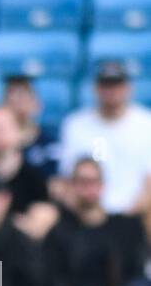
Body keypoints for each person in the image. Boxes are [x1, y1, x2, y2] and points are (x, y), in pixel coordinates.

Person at [43, 157, 147, 286]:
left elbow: (136, 275)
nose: (89, 188)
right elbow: (50, 279)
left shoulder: (127, 229)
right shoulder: (59, 232)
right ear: (72, 186)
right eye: (82, 181)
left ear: (103, 184)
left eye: (94, 181)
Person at [57, 62, 151, 217]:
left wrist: (128, 216)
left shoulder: (146, 124)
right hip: (86, 214)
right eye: (106, 85)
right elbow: (67, 179)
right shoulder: (75, 124)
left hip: (136, 214)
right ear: (96, 88)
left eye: (116, 84)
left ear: (128, 87)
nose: (111, 91)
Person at [0, 105, 54, 239]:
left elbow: (44, 218)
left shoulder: (35, 177)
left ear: (20, 131)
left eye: (4, 127)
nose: (0, 133)